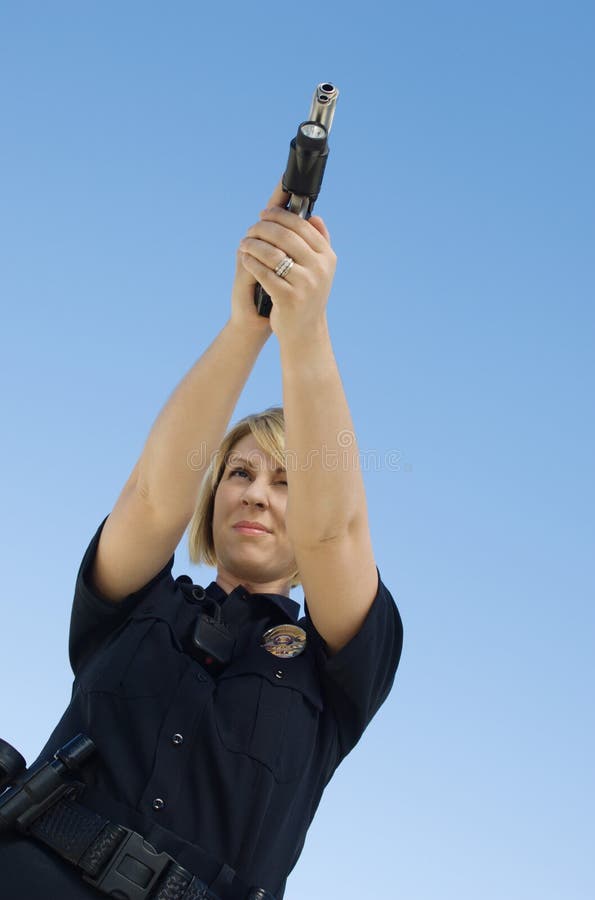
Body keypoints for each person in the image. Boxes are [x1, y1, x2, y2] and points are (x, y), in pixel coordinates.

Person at [0, 181, 403, 899]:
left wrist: (304, 328)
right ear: (213, 492)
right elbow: (154, 496)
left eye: (285, 480)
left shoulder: (337, 668)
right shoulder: (133, 603)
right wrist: (247, 325)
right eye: (240, 472)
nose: (254, 492)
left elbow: (334, 530)